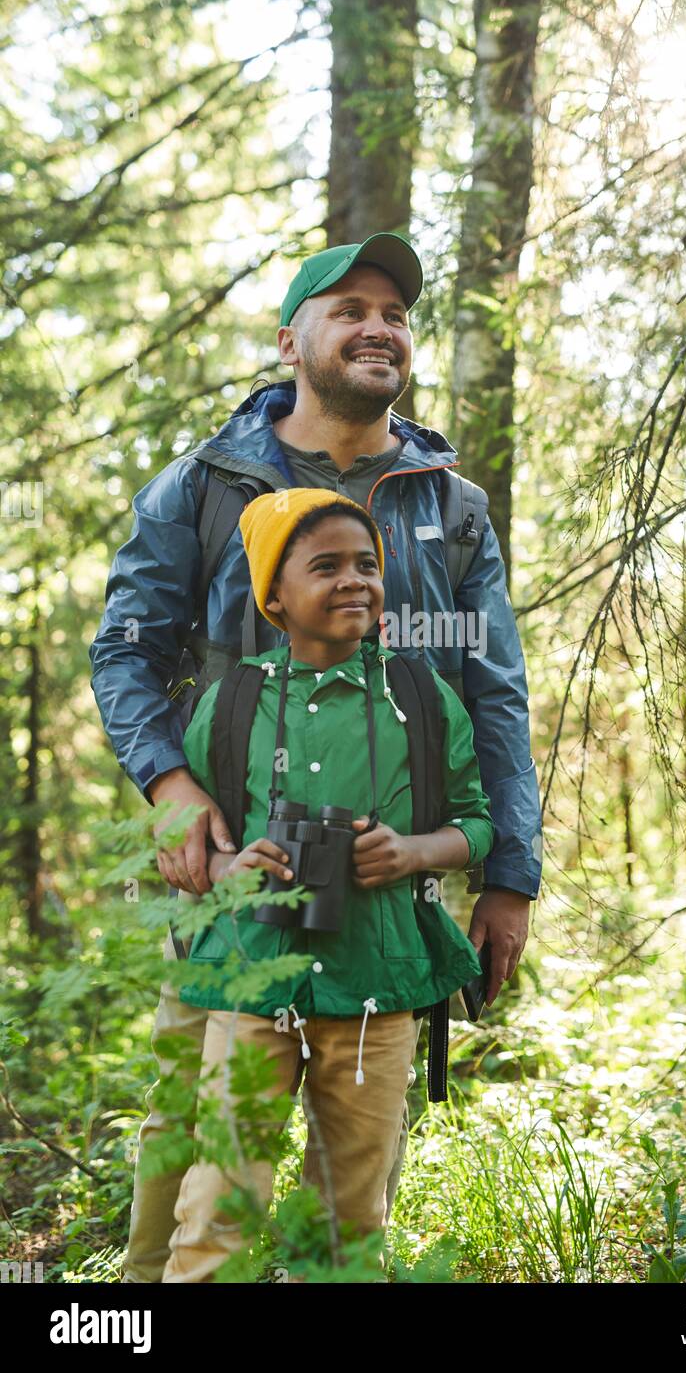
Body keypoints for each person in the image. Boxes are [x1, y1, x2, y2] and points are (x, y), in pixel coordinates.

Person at [88, 231, 542, 1282]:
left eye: (394, 313)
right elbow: (125, 649)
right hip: (230, 880)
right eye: (349, 310)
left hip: (382, 893)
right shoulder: (205, 486)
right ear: (291, 340)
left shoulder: (449, 505)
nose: (378, 328)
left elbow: (494, 692)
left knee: (353, 1178)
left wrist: (508, 871)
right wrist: (169, 784)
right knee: (194, 1148)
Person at [160, 486, 494, 1281]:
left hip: (376, 984)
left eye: (367, 565)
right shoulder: (231, 702)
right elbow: (191, 846)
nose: (355, 580)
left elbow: (477, 825)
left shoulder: (422, 699)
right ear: (274, 596)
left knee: (348, 1219)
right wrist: (232, 867)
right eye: (327, 566)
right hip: (251, 978)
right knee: (216, 1206)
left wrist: (411, 852)